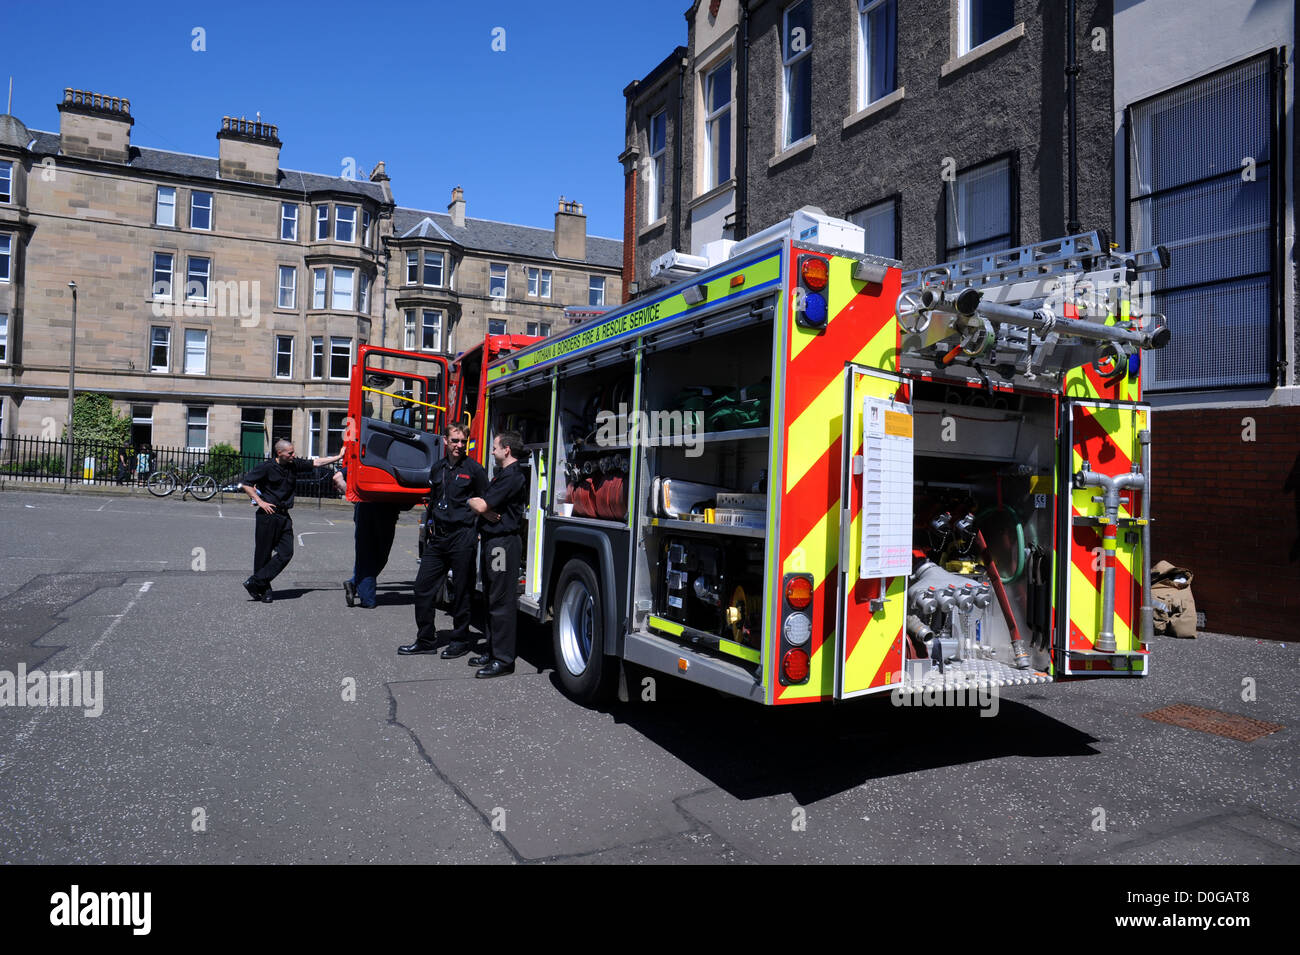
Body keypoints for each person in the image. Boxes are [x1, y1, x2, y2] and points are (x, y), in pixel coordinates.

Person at [400, 423, 487, 655]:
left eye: (463, 441)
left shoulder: (476, 470)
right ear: (446, 441)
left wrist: (478, 532)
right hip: (438, 539)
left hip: (463, 537)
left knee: (462, 592)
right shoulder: (437, 468)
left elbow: (485, 504)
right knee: (422, 588)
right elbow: (434, 498)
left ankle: (460, 640)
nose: (459, 445)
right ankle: (426, 640)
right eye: (455, 440)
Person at [239, 438, 342, 602]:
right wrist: (260, 502)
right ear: (280, 453)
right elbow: (246, 483)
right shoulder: (266, 467)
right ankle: (264, 589)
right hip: (268, 514)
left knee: (286, 553)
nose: (294, 455)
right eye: (290, 452)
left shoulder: (294, 464)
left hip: (284, 515)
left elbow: (316, 462)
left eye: (293, 452)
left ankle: (256, 581)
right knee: (263, 554)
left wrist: (338, 457)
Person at [465, 430, 529, 678]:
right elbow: (482, 506)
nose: (492, 451)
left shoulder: (512, 477)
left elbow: (480, 504)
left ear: (507, 450)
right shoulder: (502, 475)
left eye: (494, 447)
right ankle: (492, 651)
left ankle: (503, 660)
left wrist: (476, 504)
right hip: (493, 541)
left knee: (501, 600)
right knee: (491, 598)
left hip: (503, 544)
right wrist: (480, 507)